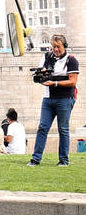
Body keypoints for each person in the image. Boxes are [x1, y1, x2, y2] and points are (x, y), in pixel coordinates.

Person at [28, 34, 79, 167]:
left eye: (58, 46)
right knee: (42, 128)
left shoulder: (71, 60)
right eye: (53, 47)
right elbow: (41, 78)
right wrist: (41, 76)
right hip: (48, 99)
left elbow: (72, 81)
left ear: (64, 46)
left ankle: (63, 160)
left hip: (65, 99)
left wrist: (54, 83)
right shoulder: (46, 57)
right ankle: (35, 159)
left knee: (63, 129)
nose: (55, 49)